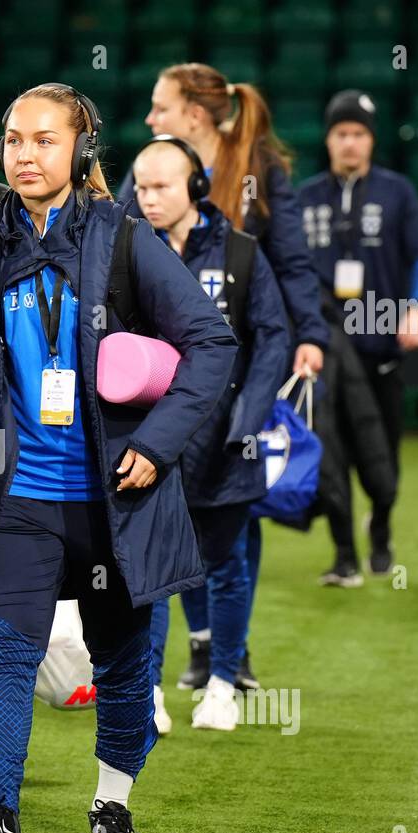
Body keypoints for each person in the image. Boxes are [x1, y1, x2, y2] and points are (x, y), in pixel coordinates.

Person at [0, 84, 236, 833]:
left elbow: (212, 344)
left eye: (43, 141)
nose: (23, 155)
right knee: (6, 654)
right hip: (15, 500)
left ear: (81, 149)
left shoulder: (125, 238)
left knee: (123, 666)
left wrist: (157, 445)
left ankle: (112, 808)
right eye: (14, 141)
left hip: (114, 501)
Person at [119, 62, 328, 696]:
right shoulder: (148, 181)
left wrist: (309, 333)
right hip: (169, 381)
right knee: (172, 520)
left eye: (161, 107)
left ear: (195, 113)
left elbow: (287, 260)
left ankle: (229, 657)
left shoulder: (260, 170)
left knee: (234, 515)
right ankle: (203, 648)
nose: (152, 117)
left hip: (241, 363)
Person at [131, 135, 290, 730]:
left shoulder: (243, 254)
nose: (147, 198)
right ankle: (145, 692)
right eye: (142, 187)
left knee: (226, 567)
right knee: (149, 574)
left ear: (195, 187)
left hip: (227, 440)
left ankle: (222, 683)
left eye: (162, 187)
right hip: (151, 440)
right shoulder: (126, 253)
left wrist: (249, 416)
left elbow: (273, 336)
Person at [297, 89, 418, 584]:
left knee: (383, 455)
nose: (349, 143)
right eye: (341, 134)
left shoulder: (398, 193)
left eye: (358, 134)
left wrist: (417, 308)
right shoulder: (305, 196)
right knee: (331, 451)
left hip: (380, 349)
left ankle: (381, 526)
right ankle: (343, 556)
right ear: (329, 140)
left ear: (370, 141)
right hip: (328, 350)